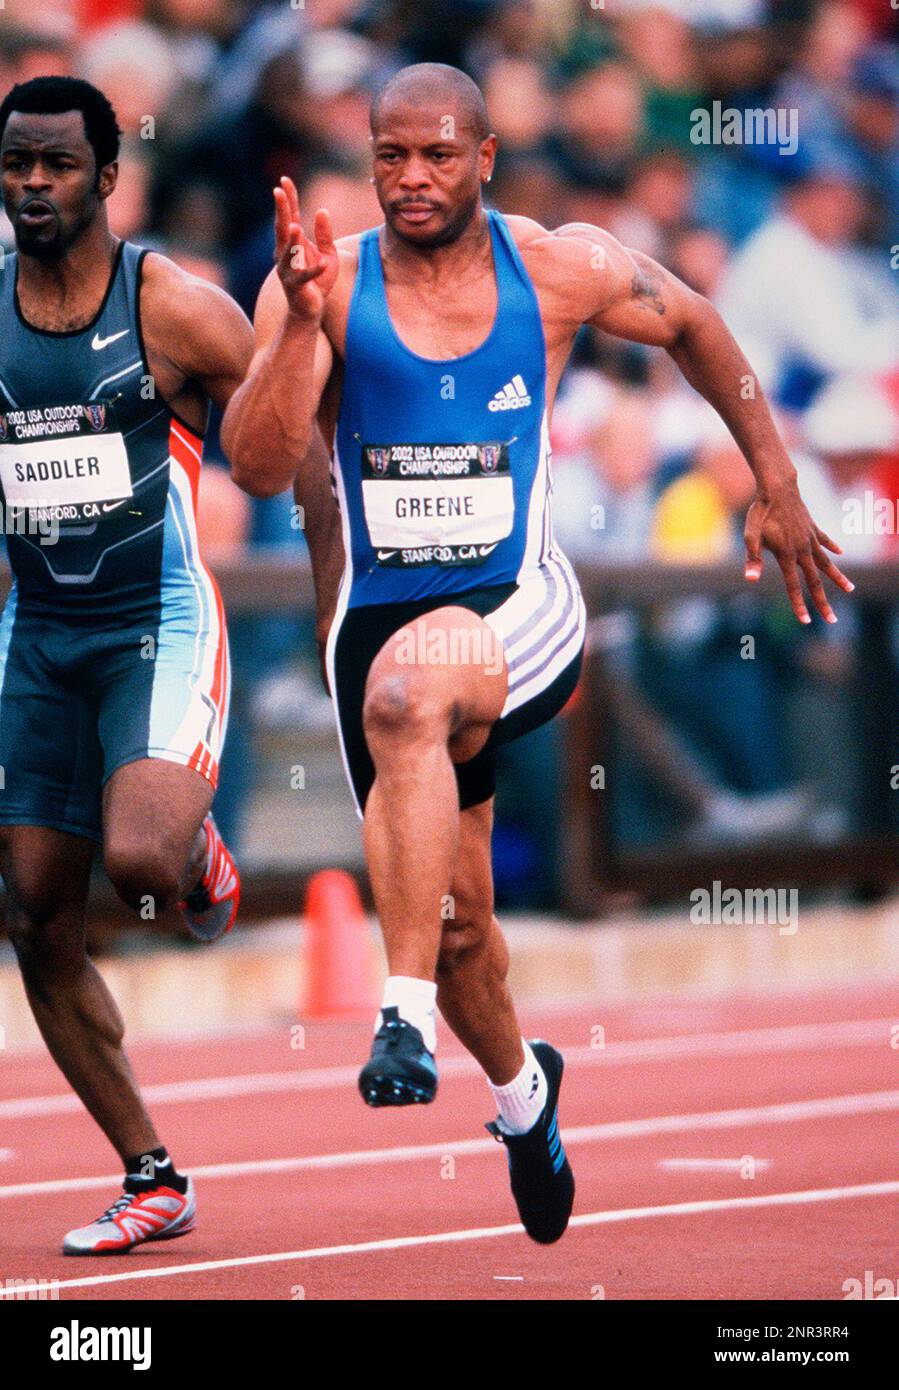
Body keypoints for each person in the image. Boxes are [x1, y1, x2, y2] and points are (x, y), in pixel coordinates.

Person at [222, 63, 853, 1245]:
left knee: (410, 699)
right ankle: (522, 1099)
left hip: (520, 602)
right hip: (372, 617)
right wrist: (299, 330)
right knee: (460, 925)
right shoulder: (324, 278)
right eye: (391, 156)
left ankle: (392, 1012)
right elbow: (257, 464)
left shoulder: (555, 265)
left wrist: (774, 481)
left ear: (486, 158)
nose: (412, 179)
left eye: (439, 155)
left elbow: (697, 327)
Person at [0, 75, 250, 1255]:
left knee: (143, 858)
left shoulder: (175, 307)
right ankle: (151, 1172)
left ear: (105, 176)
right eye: (14, 166)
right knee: (35, 913)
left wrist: (336, 591)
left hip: (156, 617)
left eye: (54, 166)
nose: (31, 186)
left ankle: (200, 857)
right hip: (39, 631)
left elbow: (282, 425)